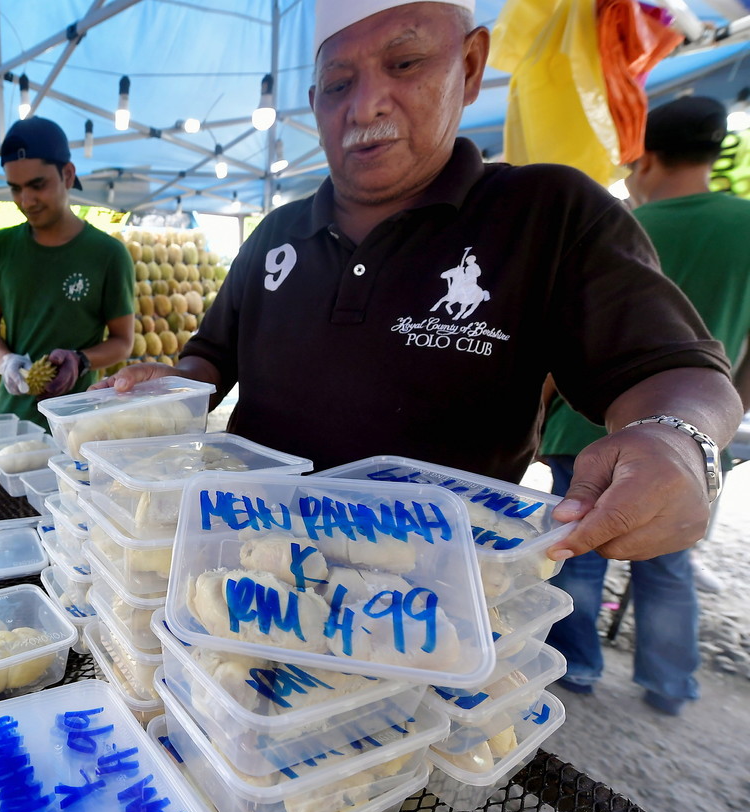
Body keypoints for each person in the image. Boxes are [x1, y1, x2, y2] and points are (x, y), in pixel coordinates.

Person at [94, 0, 742, 571]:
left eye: (404, 64)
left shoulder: (548, 212)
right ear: (315, 102)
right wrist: (174, 384)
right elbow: (213, 356)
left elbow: (675, 370)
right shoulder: (275, 234)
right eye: (337, 82)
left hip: (427, 612)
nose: (366, 102)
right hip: (250, 571)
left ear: (469, 65)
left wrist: (672, 438)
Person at [540, 96, 750, 715]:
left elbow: (555, 354)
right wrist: (712, 428)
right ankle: (669, 682)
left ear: (647, 158)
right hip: (690, 432)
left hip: (587, 432)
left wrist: (539, 412)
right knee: (666, 554)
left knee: (576, 551)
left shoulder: (612, 226)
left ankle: (574, 666)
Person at [0, 117, 134, 428]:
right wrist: (5, 361)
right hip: (12, 421)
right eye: (15, 189)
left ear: (68, 174)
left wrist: (81, 359)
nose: (26, 201)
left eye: (37, 185)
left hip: (81, 423)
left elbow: (122, 341)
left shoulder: (109, 254)